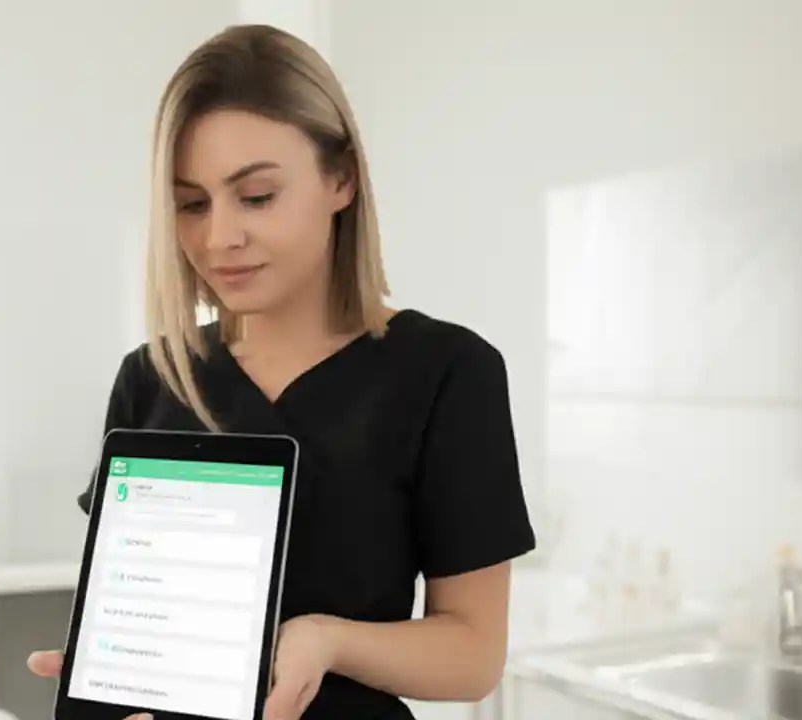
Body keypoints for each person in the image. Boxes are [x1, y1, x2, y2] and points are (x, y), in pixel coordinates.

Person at [28, 23, 536, 720]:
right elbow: (145, 621)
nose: (220, 237)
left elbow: (473, 656)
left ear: (341, 178)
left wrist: (327, 640)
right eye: (192, 204)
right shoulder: (154, 376)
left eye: (257, 196)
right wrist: (114, 671)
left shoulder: (446, 372)